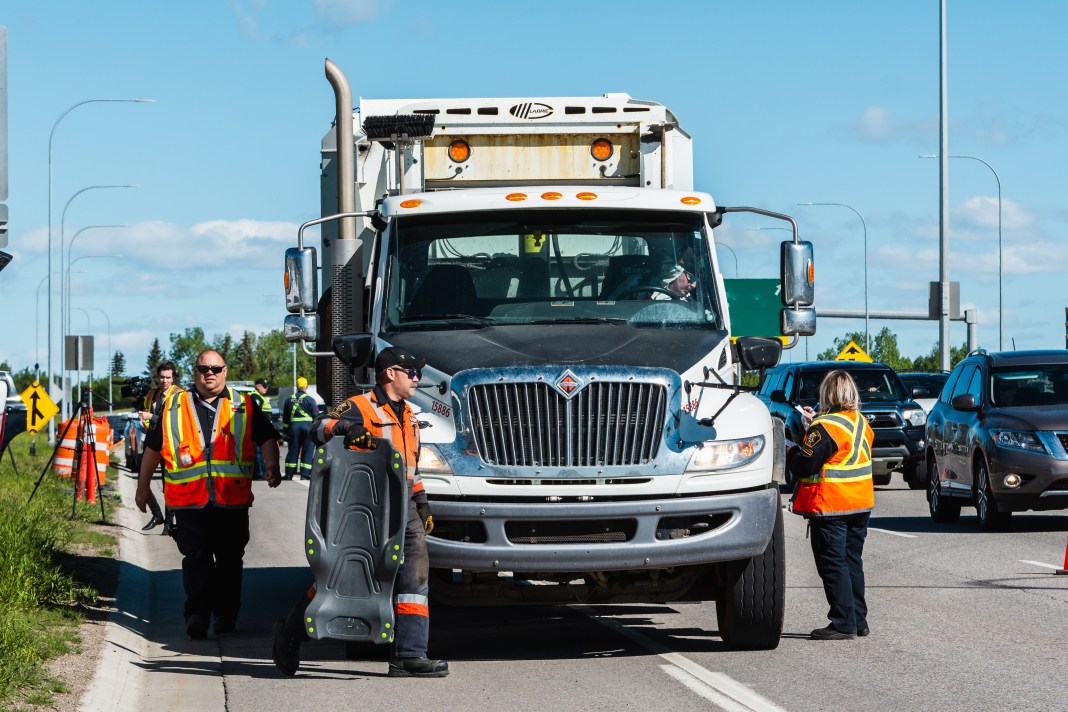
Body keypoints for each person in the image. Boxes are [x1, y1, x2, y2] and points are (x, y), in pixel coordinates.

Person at [272, 346, 448, 678]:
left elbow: (412, 467)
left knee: (416, 575)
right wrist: (343, 429)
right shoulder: (359, 406)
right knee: (340, 579)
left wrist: (422, 502)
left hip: (405, 507)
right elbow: (318, 427)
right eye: (411, 372)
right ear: (389, 374)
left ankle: (409, 655)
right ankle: (290, 632)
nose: (417, 378)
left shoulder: (409, 415)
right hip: (366, 508)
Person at [135, 350, 282, 639]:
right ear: (195, 372)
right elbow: (153, 447)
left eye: (215, 368)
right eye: (203, 368)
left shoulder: (244, 404)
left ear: (225, 371)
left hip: (232, 501)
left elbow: (266, 437)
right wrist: (142, 488)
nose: (209, 373)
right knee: (196, 559)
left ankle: (226, 616)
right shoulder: (173, 405)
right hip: (190, 501)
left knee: (229, 561)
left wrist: (273, 465)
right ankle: (197, 615)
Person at [787, 369, 875, 641]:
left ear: (827, 393)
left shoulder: (825, 427)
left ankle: (842, 622)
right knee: (851, 562)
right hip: (859, 503)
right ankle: (858, 620)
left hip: (831, 505)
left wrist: (792, 448)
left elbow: (806, 464)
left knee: (832, 564)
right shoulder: (860, 422)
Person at [139, 360, 184, 535]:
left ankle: (168, 522)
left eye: (168, 377)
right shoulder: (152, 394)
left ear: (173, 378)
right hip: (153, 441)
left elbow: (173, 421)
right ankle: (156, 514)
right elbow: (149, 413)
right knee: (143, 480)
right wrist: (144, 417)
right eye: (162, 377)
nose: (164, 381)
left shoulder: (179, 395)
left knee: (169, 484)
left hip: (171, 444)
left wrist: (153, 416)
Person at [281, 376, 318, 480]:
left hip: (294, 428)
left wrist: (286, 432)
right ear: (306, 386)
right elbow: (316, 415)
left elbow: (286, 418)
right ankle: (304, 474)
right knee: (308, 450)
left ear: (297, 386)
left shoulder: (289, 400)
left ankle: (289, 474)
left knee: (293, 449)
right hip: (307, 427)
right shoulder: (310, 400)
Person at [251, 378, 273, 480]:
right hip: (258, 428)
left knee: (262, 452)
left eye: (267, 386)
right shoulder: (255, 396)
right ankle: (259, 473)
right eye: (264, 386)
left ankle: (262, 472)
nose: (266, 388)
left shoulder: (260, 397)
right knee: (258, 452)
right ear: (257, 386)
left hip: (263, 428)